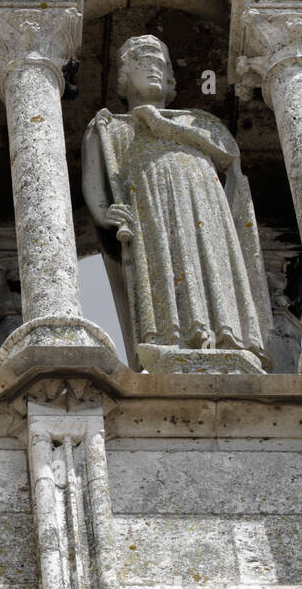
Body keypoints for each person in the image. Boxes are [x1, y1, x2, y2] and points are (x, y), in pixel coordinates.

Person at [82, 35, 272, 370]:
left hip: (201, 201)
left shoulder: (196, 120)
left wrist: (161, 125)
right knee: (161, 261)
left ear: (171, 79)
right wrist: (103, 211)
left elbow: (228, 153)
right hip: (151, 206)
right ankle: (169, 340)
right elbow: (94, 179)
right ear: (123, 78)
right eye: (142, 62)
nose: (152, 68)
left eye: (160, 63)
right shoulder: (109, 127)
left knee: (208, 260)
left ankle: (225, 337)